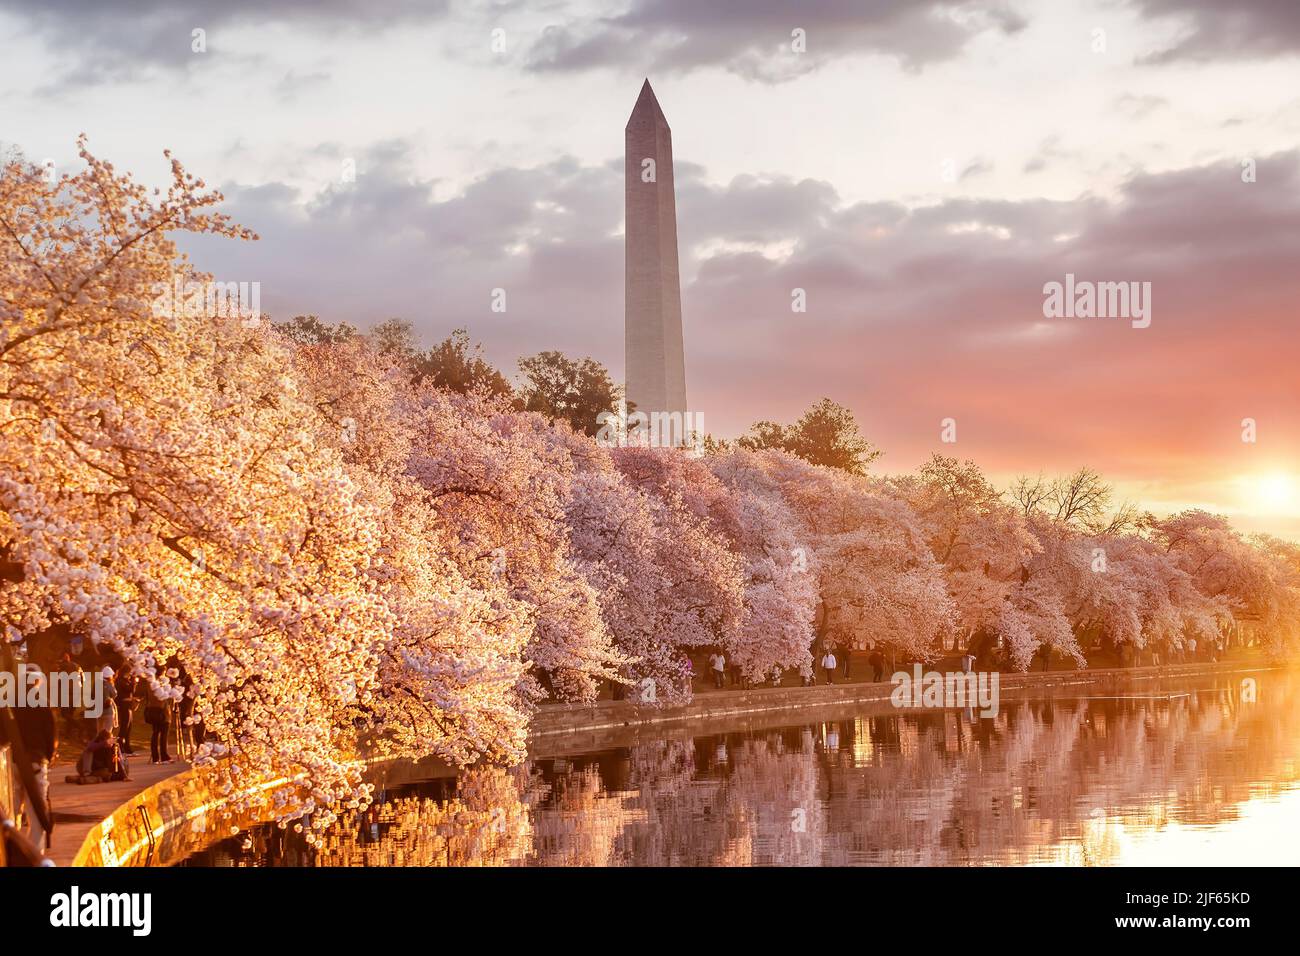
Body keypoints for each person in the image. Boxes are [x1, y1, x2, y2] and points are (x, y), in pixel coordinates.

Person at [15, 667, 57, 851]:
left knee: (13, 810)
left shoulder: (10, 705)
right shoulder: (43, 705)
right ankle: (34, 854)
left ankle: (12, 851)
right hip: (35, 761)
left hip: (13, 763)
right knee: (36, 811)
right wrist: (48, 757)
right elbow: (51, 736)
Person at [143, 682, 173, 764]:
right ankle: (164, 756)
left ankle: (155, 757)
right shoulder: (161, 685)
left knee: (155, 733)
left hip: (153, 711)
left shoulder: (150, 685)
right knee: (163, 734)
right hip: (162, 712)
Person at [117, 671, 140, 755]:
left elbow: (132, 691)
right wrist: (134, 683)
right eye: (128, 673)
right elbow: (130, 689)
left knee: (129, 728)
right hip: (124, 706)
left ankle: (127, 748)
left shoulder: (127, 681)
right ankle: (120, 747)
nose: (130, 675)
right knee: (124, 727)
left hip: (128, 706)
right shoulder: (121, 682)